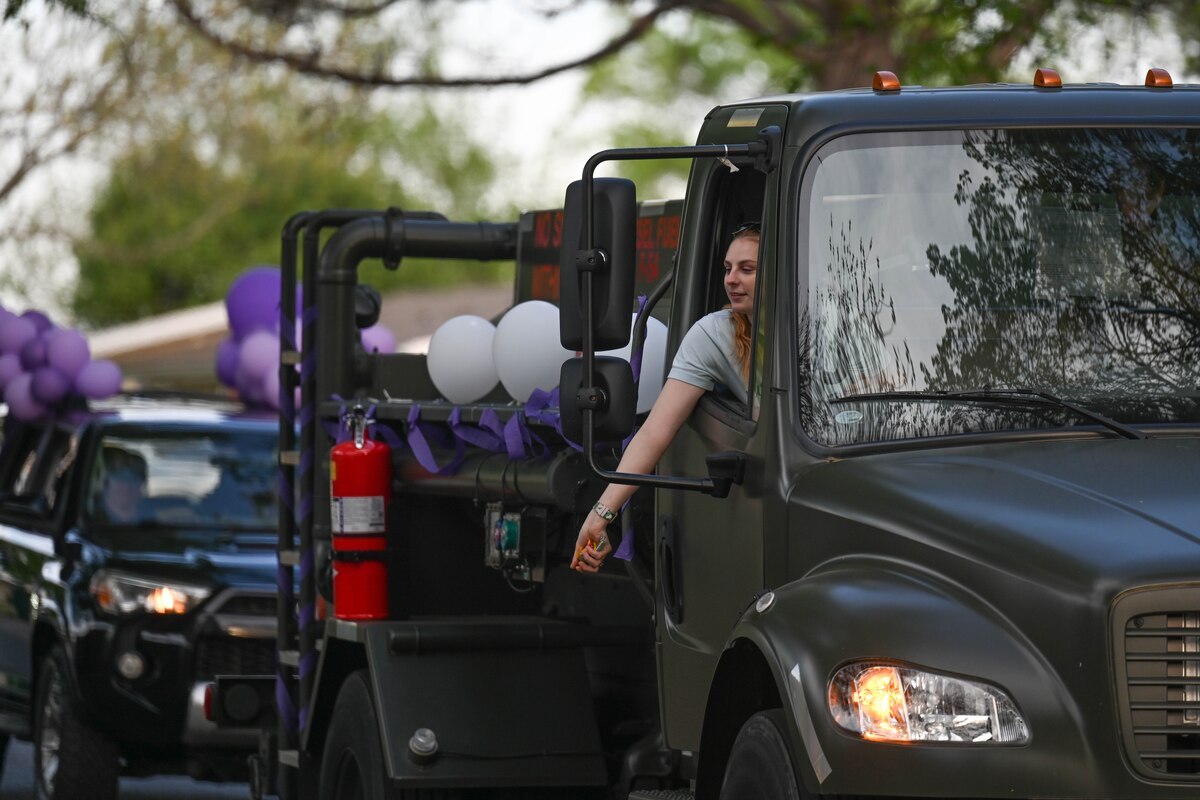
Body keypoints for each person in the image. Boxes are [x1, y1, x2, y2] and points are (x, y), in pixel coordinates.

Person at [572, 222, 760, 573]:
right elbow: (654, 431)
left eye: (747, 269)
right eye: (728, 268)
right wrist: (600, 516)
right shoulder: (714, 334)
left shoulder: (828, 321)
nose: (731, 279)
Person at [96, 447, 147, 524]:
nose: (127, 486)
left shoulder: (154, 517)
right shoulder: (90, 519)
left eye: (135, 478)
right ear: (104, 481)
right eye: (119, 477)